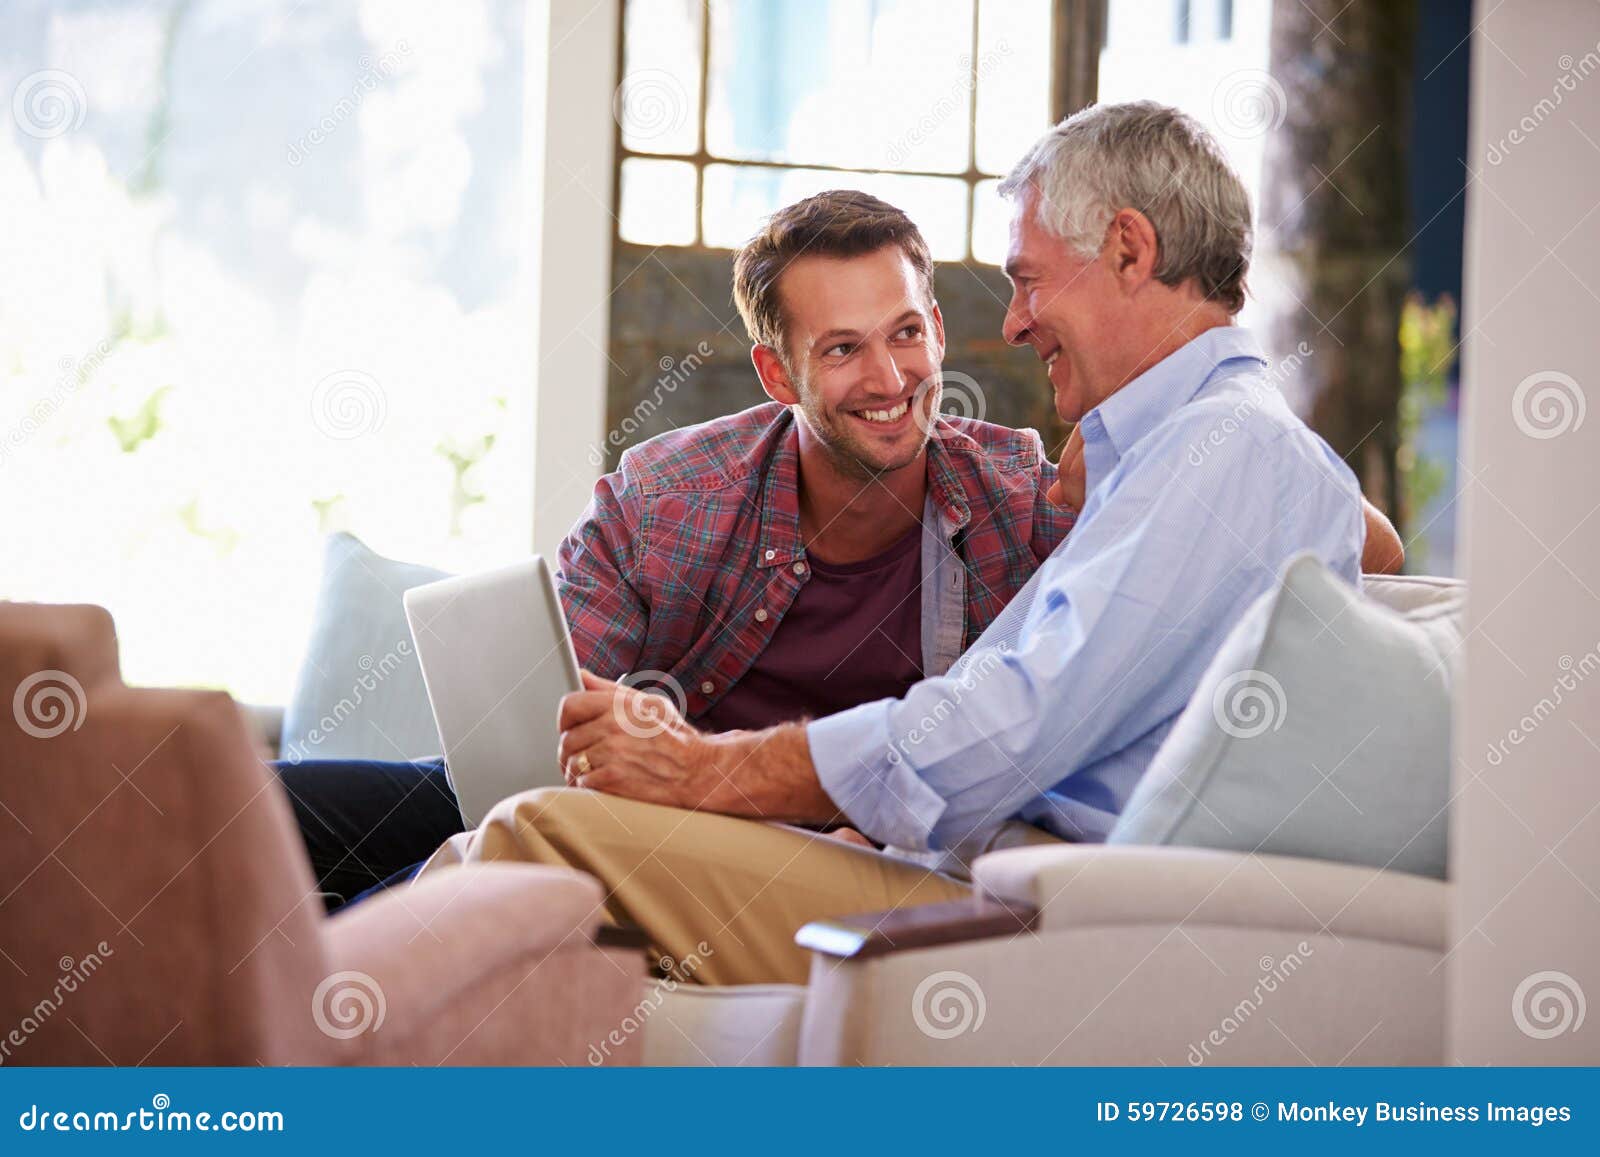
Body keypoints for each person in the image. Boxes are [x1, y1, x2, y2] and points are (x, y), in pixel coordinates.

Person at [415, 102, 1384, 988]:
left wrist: (706, 768)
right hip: (964, 871)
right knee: (476, 851)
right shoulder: (1185, 450)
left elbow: (1005, 724)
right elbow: (1330, 522)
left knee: (534, 835)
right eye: (840, 347)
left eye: (1026, 280)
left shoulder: (1221, 449)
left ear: (1129, 250)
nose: (1010, 323)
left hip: (1029, 918)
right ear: (778, 372)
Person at [278, 190, 1078, 906]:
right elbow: (551, 718)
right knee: (264, 812)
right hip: (632, 815)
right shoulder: (668, 495)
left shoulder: (1022, 505)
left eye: (904, 333)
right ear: (777, 373)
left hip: (767, 853)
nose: (888, 377)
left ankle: (310, 995)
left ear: (937, 330)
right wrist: (598, 735)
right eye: (840, 349)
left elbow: (1062, 719)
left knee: (436, 883)